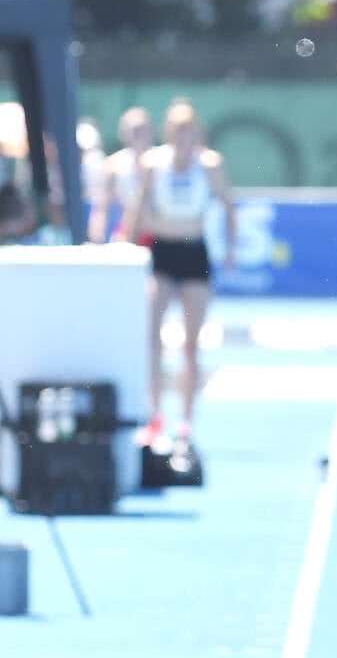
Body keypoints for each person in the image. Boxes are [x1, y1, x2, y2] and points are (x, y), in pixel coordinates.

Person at [124, 100, 234, 448]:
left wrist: (230, 248)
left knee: (191, 343)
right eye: (177, 131)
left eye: (189, 131)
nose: (184, 138)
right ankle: (155, 414)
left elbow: (229, 205)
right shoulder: (154, 164)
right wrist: (129, 244)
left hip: (194, 252)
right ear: (169, 133)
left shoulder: (210, 165)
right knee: (152, 335)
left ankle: (186, 421)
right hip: (163, 251)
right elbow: (138, 208)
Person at [93, 106, 153, 243]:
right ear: (123, 133)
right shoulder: (113, 166)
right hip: (127, 233)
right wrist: (97, 238)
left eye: (142, 129)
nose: (139, 135)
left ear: (150, 131)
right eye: (134, 131)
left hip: (158, 233)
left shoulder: (161, 162)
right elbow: (102, 207)